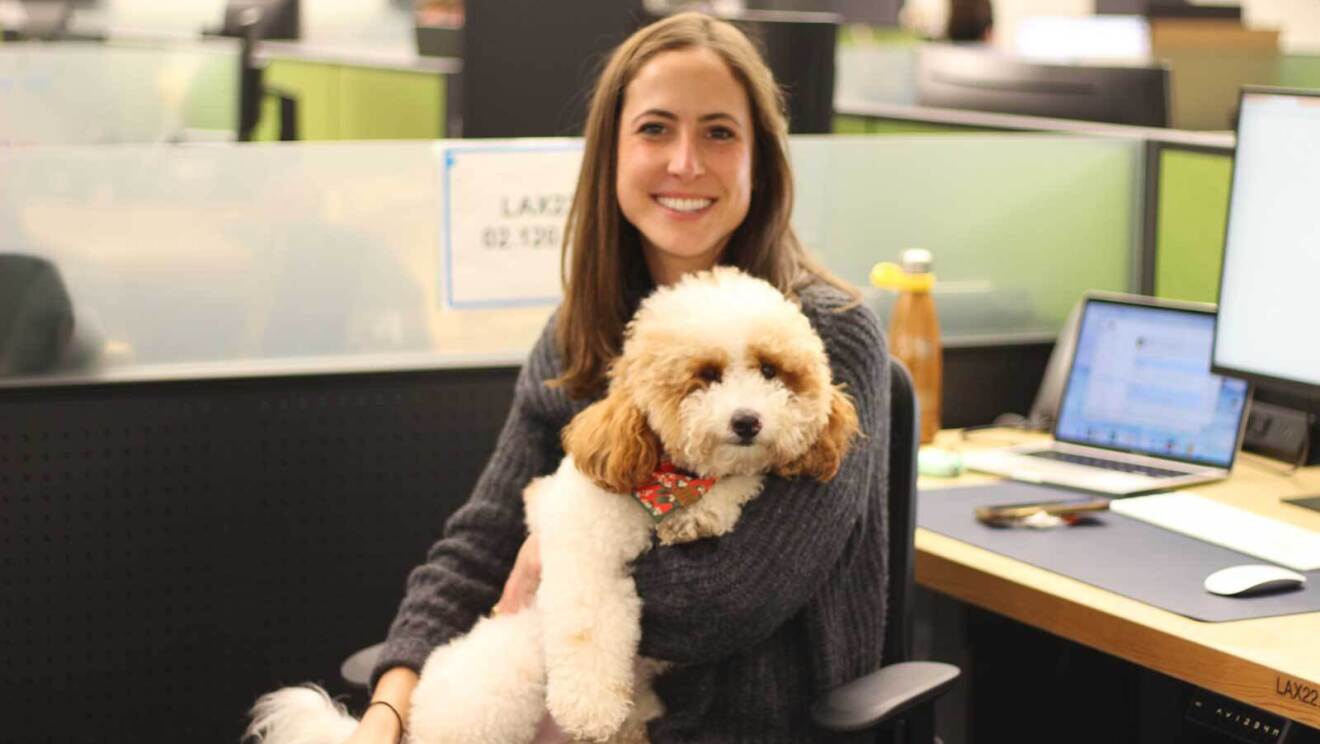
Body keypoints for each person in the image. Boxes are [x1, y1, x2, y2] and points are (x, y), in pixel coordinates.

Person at [353, 11, 891, 743]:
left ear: (761, 159)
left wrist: (558, 561)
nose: (684, 163)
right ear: (610, 153)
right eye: (655, 129)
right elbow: (480, 542)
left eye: (719, 133)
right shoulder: (581, 331)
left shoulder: (827, 336)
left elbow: (728, 599)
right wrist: (389, 705)